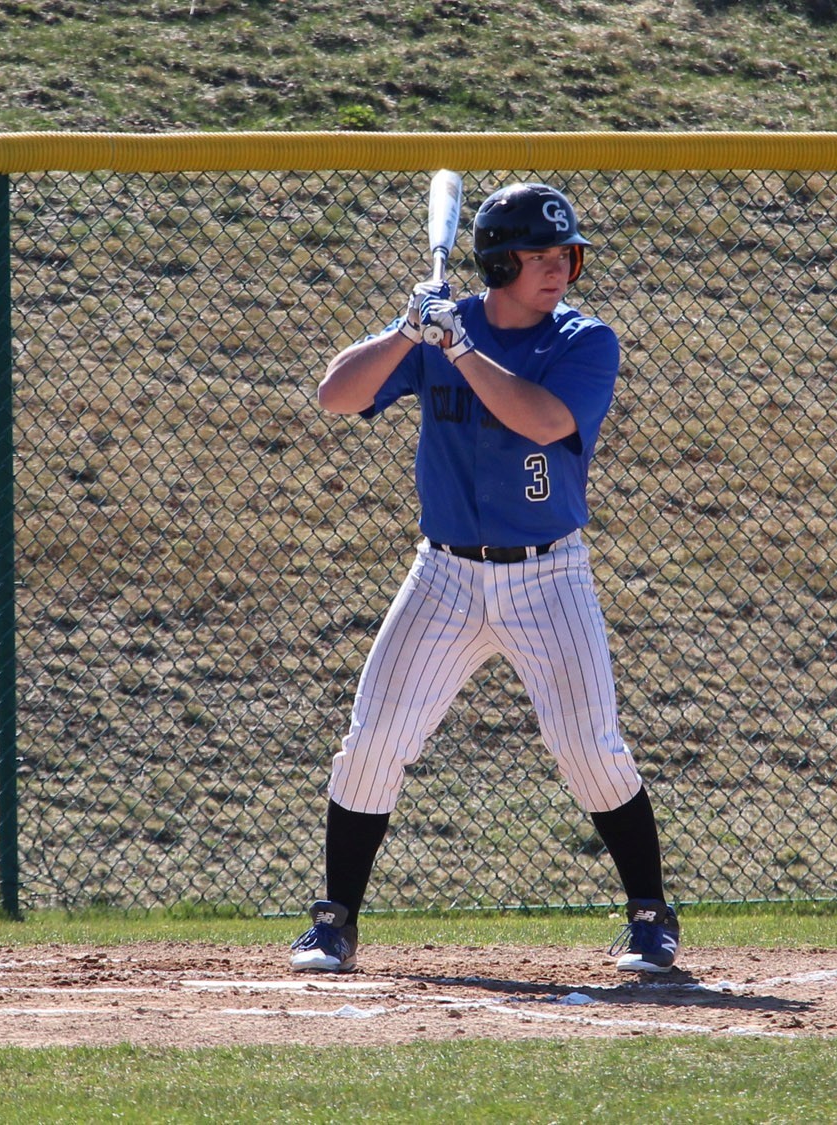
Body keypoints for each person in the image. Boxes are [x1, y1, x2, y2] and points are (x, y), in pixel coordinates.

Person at [291, 182, 680, 974]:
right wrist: (408, 332)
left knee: (587, 747)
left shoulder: (585, 340)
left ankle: (650, 914)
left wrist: (458, 350)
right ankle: (334, 919)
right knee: (373, 742)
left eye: (565, 254)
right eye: (539, 255)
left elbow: (539, 419)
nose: (558, 269)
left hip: (549, 576)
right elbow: (337, 394)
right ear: (499, 261)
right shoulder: (440, 325)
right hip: (443, 575)